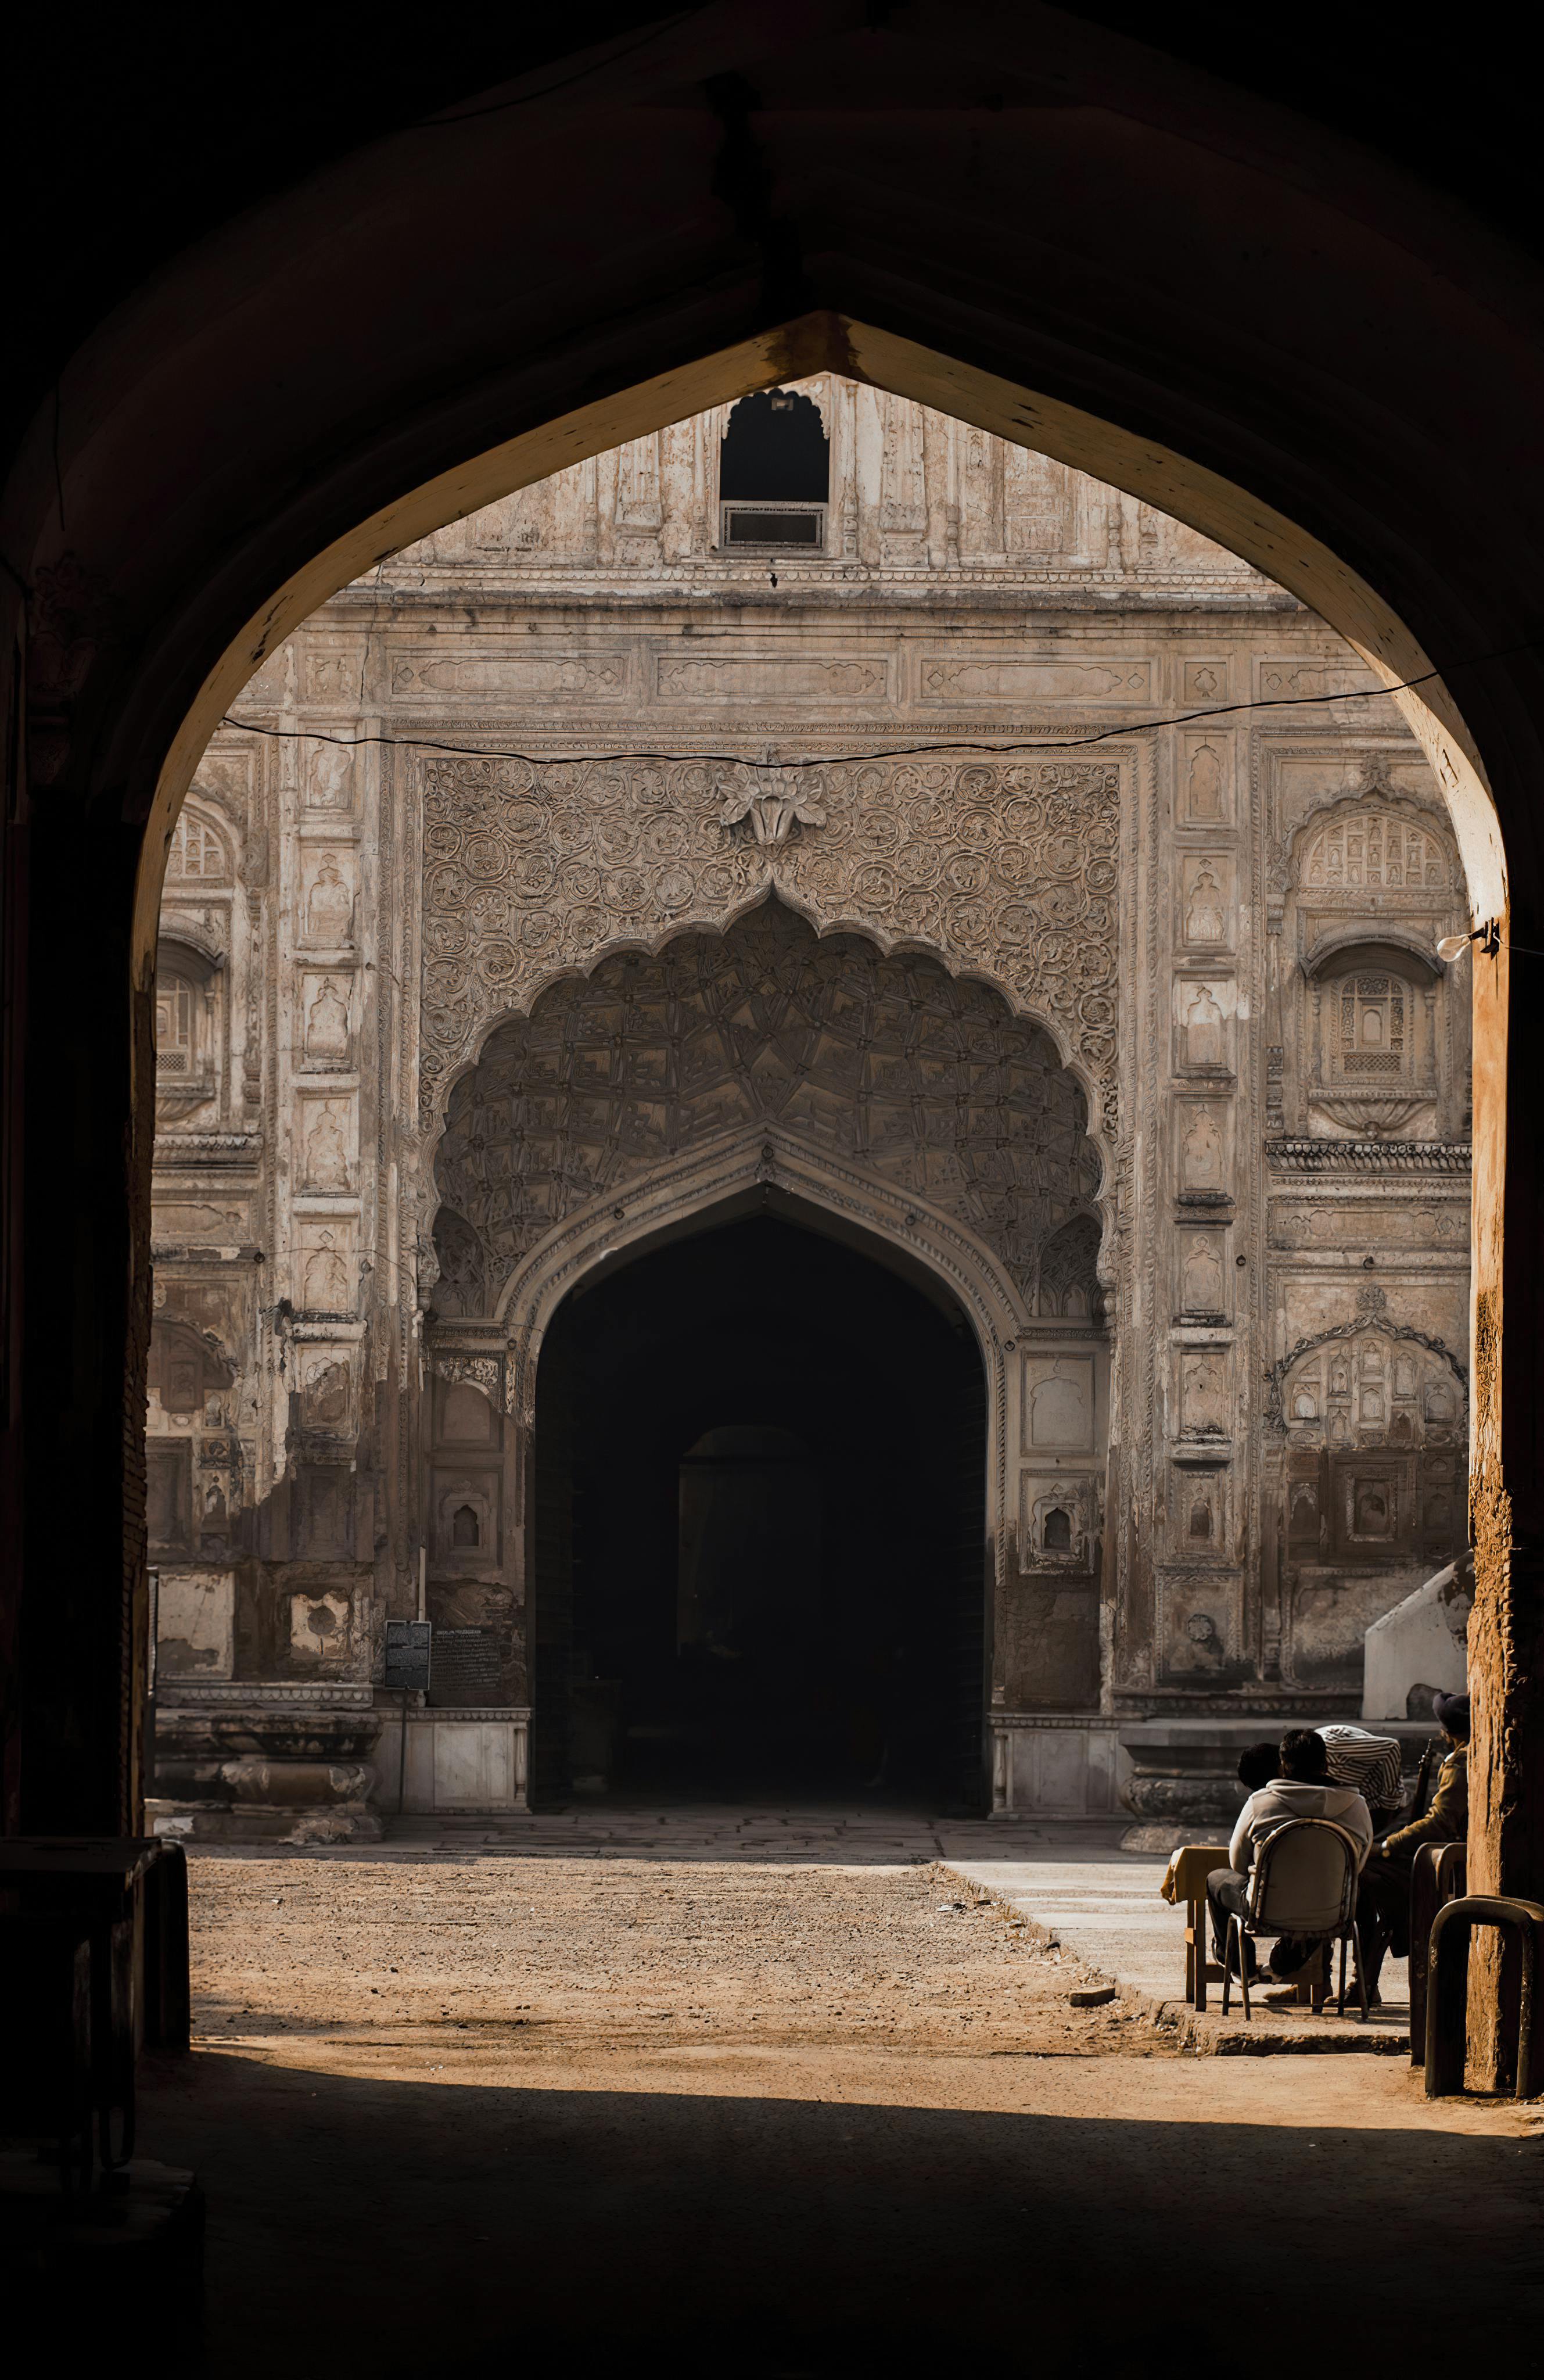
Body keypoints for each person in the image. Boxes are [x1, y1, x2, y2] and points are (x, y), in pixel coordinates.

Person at [1209, 1729, 1373, 1985]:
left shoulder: (1259, 1804)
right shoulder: (1357, 1806)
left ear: (1283, 1766)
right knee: (1325, 1890)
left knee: (1215, 1880)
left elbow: (1237, 1865)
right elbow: (1357, 1867)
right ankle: (1282, 1964)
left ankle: (1237, 1961)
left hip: (1265, 1911)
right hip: (1333, 1913)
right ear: (1326, 1762)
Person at [1352, 1690, 1469, 2004]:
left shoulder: (1460, 1762)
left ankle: (1363, 1980)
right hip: (1443, 1851)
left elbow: (1440, 1822)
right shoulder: (1457, 1758)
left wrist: (1389, 1845)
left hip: (1449, 1858)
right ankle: (1363, 1980)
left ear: (1447, 1732)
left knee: (1369, 1875)